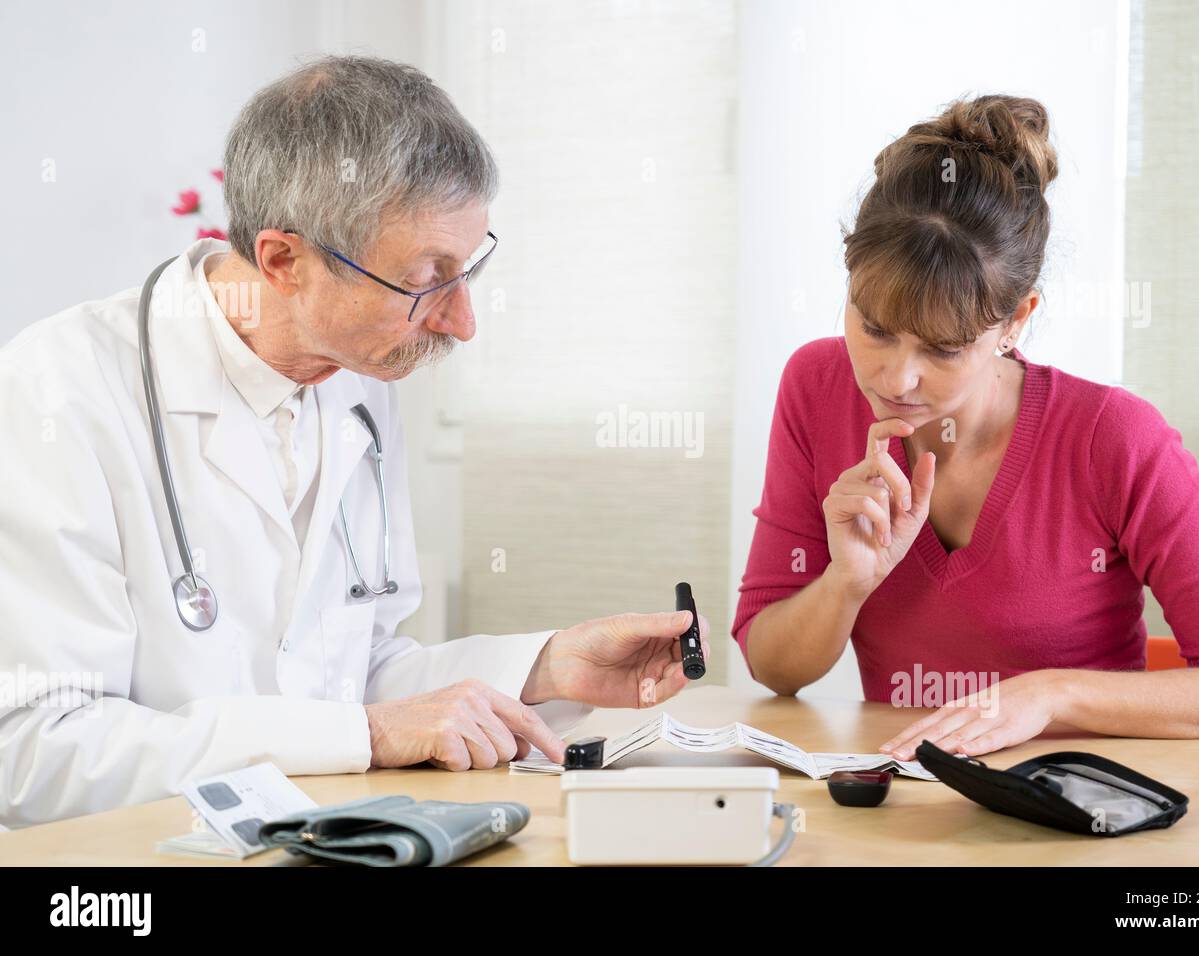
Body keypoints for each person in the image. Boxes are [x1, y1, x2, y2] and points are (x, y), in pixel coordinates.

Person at [0, 56, 708, 830]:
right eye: (427, 278)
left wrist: (544, 665)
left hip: (319, 836)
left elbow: (350, 673)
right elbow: (35, 752)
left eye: (468, 269)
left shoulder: (360, 382)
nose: (462, 321)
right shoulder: (56, 396)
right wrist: (363, 736)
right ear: (284, 261)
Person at [732, 94, 1199, 760]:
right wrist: (845, 585)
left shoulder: (1112, 439)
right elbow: (773, 667)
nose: (895, 378)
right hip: (909, 814)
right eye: (875, 329)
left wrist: (1051, 695)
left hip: (1075, 820)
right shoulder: (817, 386)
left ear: (1016, 321)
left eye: (943, 349)